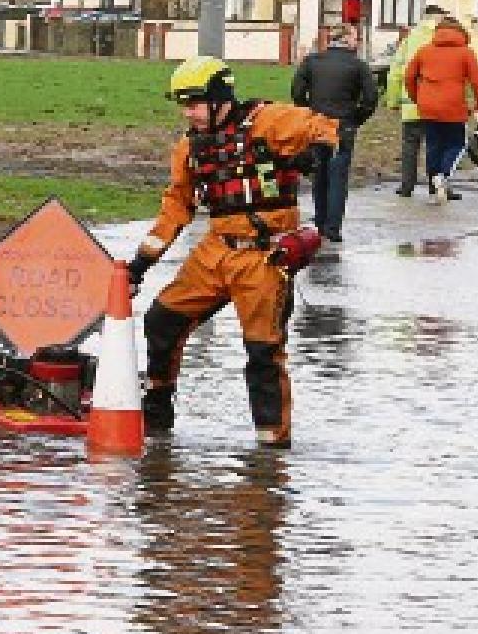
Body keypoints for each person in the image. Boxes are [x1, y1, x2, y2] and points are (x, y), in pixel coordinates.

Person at [128, 56, 339, 448]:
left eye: (193, 103)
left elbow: (327, 128)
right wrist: (140, 263)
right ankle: (157, 417)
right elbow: (176, 205)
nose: (188, 113)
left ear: (219, 98)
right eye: (183, 105)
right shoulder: (189, 149)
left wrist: (314, 154)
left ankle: (271, 448)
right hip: (215, 250)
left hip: (264, 256)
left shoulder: (269, 121)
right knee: (161, 321)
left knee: (263, 352)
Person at [291, 22, 378, 242]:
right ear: (348, 39)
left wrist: (309, 112)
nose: (357, 41)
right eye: (355, 37)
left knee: (319, 174)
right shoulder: (358, 66)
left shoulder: (312, 62)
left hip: (317, 124)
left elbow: (297, 92)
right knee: (337, 177)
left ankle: (320, 221)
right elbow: (370, 99)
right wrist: (356, 118)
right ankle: (333, 228)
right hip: (343, 126)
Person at [404, 18, 478, 204]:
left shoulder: (424, 50)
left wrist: (417, 98)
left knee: (434, 145)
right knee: (457, 144)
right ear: (461, 33)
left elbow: (409, 76)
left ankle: (435, 187)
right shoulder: (466, 53)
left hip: (427, 106)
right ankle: (443, 175)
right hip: (453, 106)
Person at [385, 4, 461, 200]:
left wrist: (392, 100)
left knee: (410, 146)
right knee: (437, 146)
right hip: (438, 105)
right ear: (439, 18)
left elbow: (395, 71)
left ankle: (406, 186)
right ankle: (436, 186)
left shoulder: (409, 39)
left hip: (411, 104)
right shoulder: (445, 40)